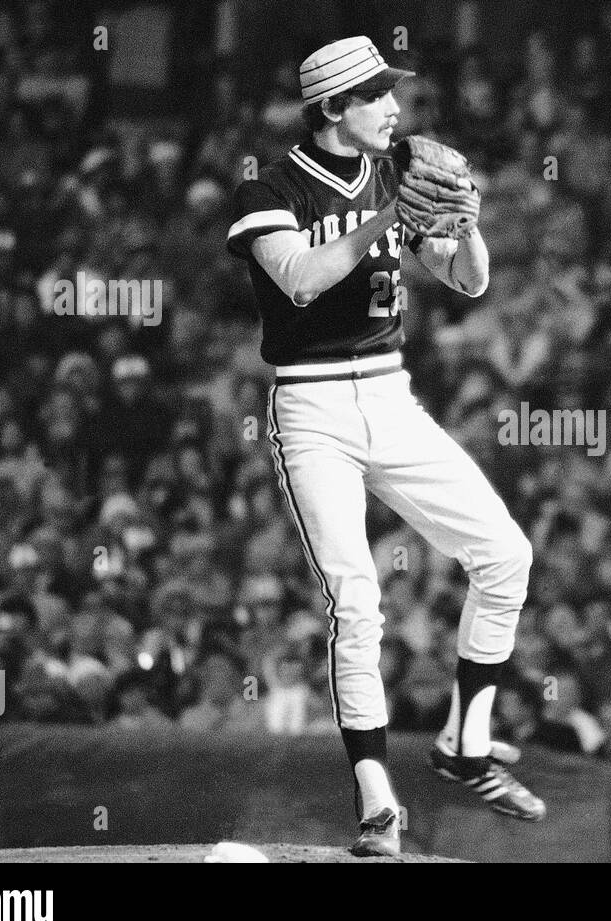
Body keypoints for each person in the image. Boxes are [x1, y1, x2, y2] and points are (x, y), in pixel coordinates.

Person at [226, 35, 541, 857]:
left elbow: (466, 278)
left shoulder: (398, 168)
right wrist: (389, 215)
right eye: (377, 95)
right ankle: (376, 804)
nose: (395, 106)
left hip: (389, 394)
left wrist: (465, 228)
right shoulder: (272, 189)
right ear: (334, 108)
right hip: (313, 409)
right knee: (356, 600)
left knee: (505, 554)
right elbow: (299, 277)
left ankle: (465, 746)